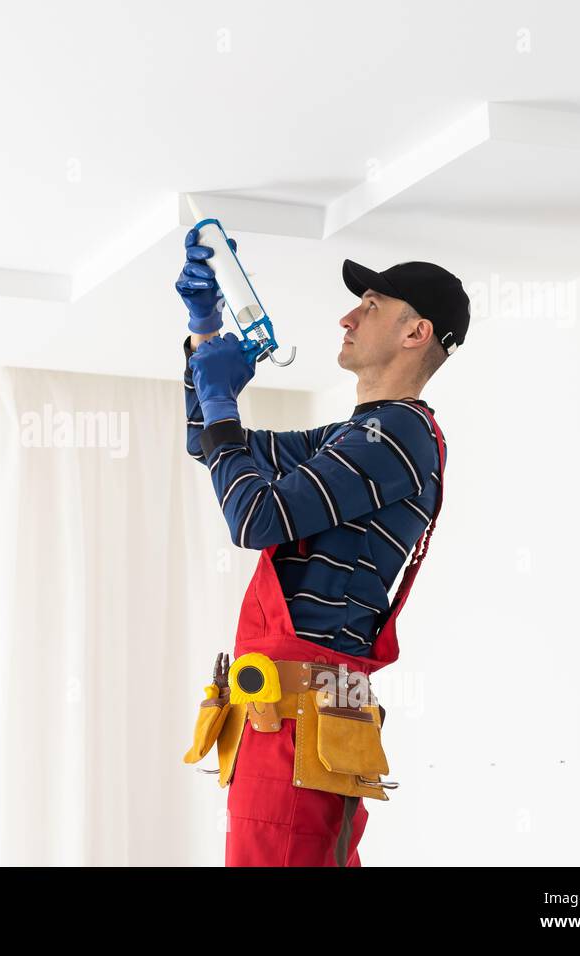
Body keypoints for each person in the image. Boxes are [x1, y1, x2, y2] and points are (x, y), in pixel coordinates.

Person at [176, 228, 468, 866]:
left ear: (416, 332)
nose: (348, 316)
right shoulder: (353, 435)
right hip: (282, 719)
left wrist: (222, 393)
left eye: (369, 305)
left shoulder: (396, 439)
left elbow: (254, 516)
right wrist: (204, 331)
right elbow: (212, 444)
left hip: (302, 722)